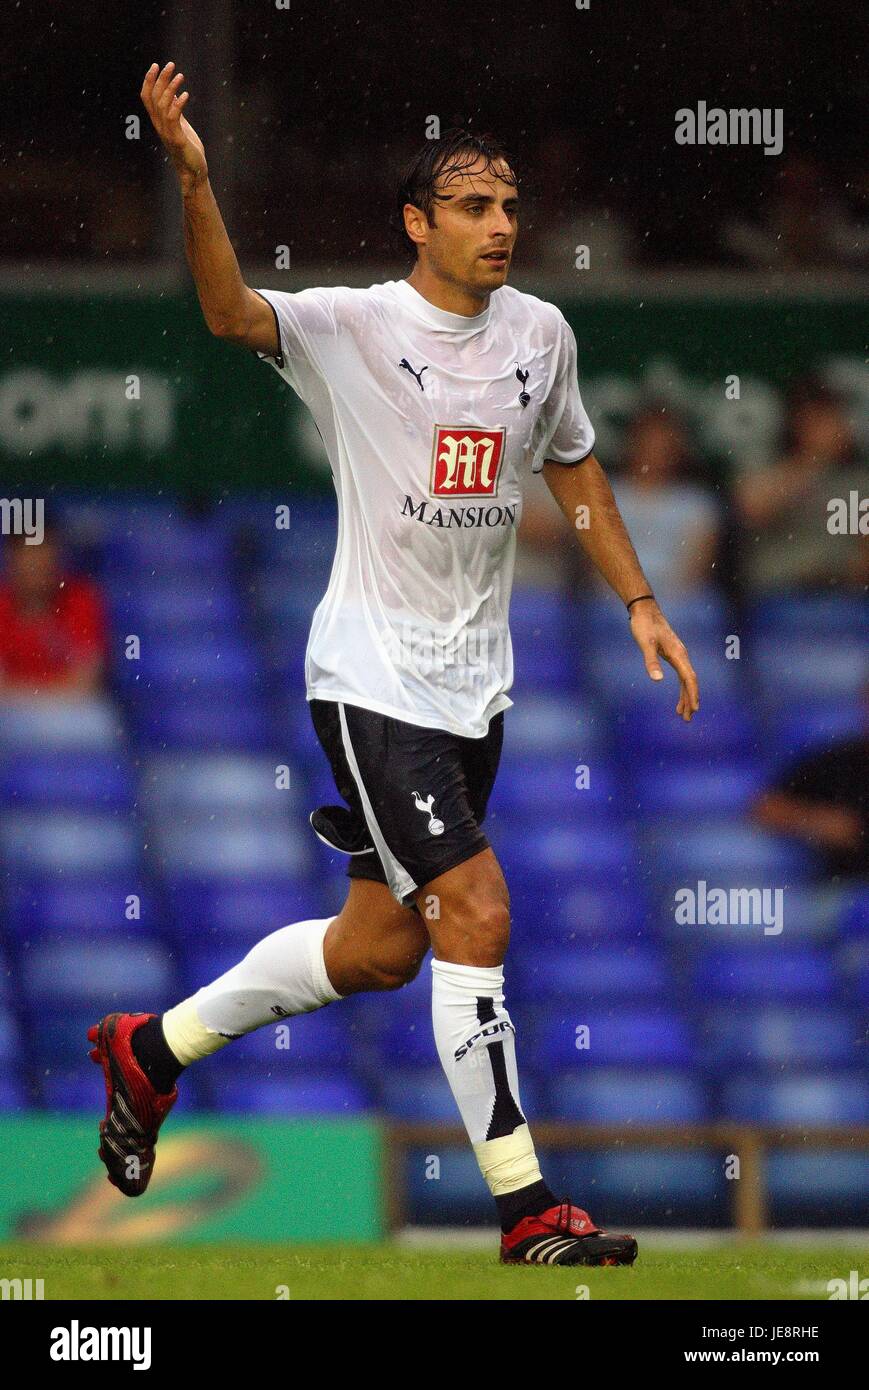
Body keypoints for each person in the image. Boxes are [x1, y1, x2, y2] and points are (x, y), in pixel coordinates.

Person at [89, 60, 700, 1269]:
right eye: (472, 207)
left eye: (509, 205)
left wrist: (637, 597)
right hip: (373, 678)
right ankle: (527, 1209)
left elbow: (570, 461)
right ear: (417, 223)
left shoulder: (541, 335)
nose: (499, 225)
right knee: (476, 908)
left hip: (476, 687)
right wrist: (195, 181)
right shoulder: (354, 326)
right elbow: (229, 315)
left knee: (378, 946)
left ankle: (148, 1051)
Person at [735, 382, 867, 594]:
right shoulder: (767, 468)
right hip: (779, 592)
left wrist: (834, 573)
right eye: (816, 421)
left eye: (834, 419)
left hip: (842, 595)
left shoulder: (858, 481)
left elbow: (863, 560)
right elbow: (751, 511)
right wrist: (813, 461)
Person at [608, 406, 721, 596]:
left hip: (680, 598)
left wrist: (657, 600)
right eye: (649, 445)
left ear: (677, 450)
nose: (656, 454)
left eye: (663, 447)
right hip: (614, 597)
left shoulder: (697, 503)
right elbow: (598, 563)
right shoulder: (607, 494)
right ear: (633, 446)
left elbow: (696, 567)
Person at [0, 522, 107, 697]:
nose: (36, 567)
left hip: (67, 706)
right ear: (13, 560)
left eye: (43, 557)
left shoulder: (81, 600)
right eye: (28, 556)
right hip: (9, 707)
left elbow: (86, 679)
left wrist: (31, 693)